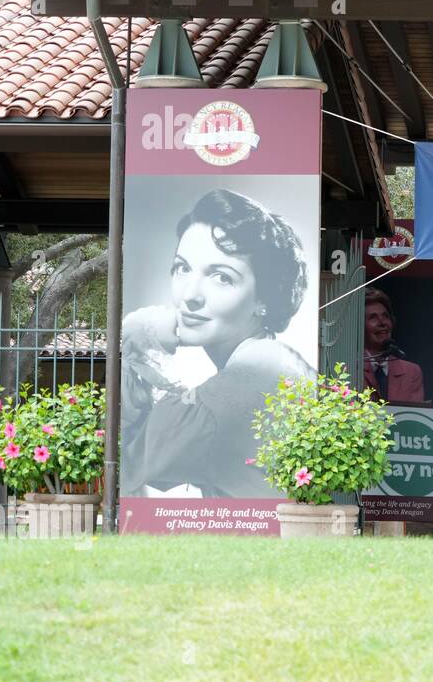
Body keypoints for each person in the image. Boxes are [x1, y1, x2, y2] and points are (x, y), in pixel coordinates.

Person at [120, 189, 315, 498]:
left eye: (222, 277)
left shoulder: (257, 372)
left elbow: (131, 465)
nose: (190, 296)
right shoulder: (272, 360)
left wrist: (137, 336)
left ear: (264, 297)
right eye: (183, 268)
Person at [362, 287, 425, 405]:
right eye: (373, 317)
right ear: (359, 325)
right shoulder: (350, 368)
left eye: (386, 316)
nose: (382, 323)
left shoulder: (411, 372)